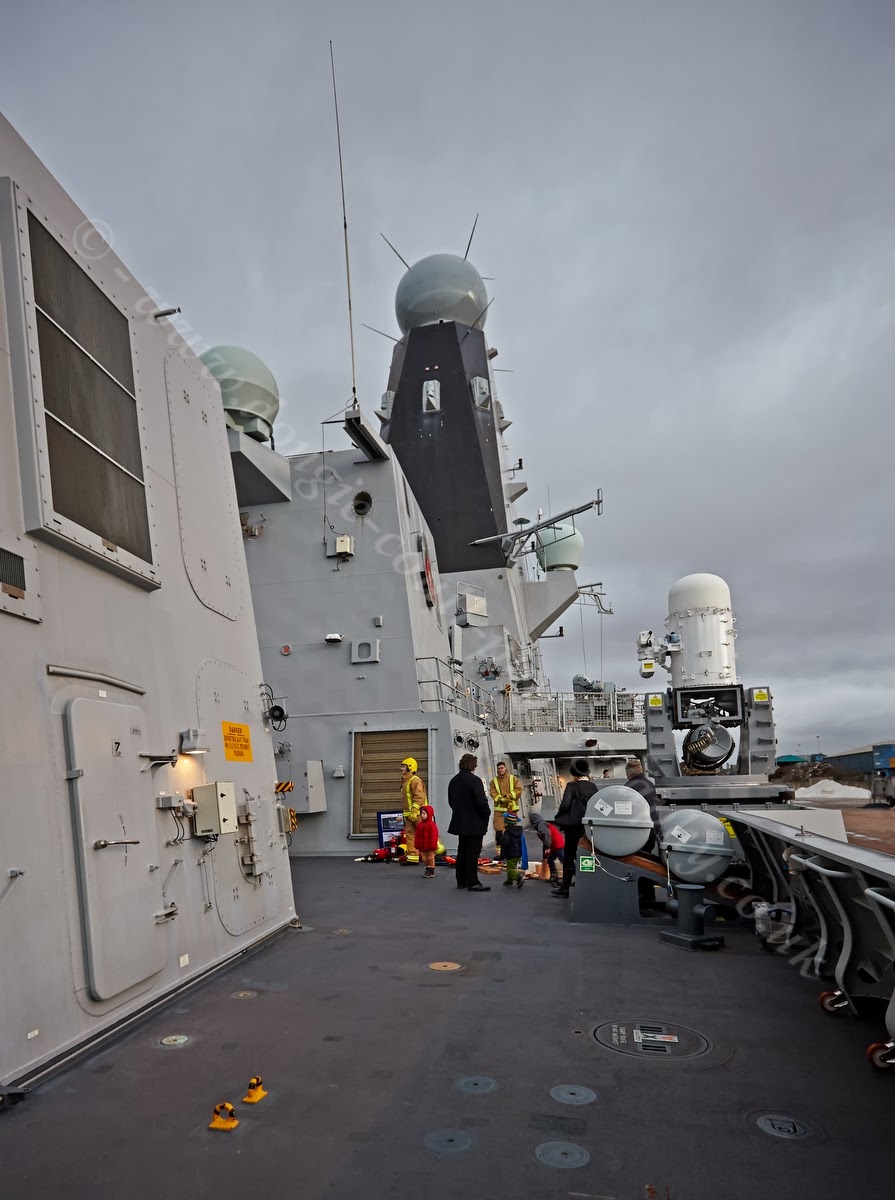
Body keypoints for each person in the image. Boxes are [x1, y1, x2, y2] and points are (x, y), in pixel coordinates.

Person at [551, 759, 597, 898]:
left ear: (574, 773)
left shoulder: (572, 786)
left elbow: (565, 804)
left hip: (573, 827)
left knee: (569, 857)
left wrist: (558, 816)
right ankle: (590, 887)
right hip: (589, 827)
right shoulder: (593, 787)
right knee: (588, 855)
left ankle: (565, 888)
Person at [447, 753, 492, 892]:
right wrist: (486, 813)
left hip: (460, 822)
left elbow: (451, 802)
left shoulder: (453, 781)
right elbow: (481, 802)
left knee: (462, 851)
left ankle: (461, 880)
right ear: (472, 765)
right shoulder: (475, 781)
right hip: (474, 823)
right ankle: (473, 882)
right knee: (473, 853)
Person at [623, 758, 661, 852]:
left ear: (629, 774)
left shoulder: (628, 787)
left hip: (639, 830)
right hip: (653, 827)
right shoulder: (650, 784)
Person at [489, 761, 522, 858]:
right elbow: (493, 793)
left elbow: (519, 790)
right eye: (499, 768)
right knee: (499, 832)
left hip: (511, 810)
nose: (500, 770)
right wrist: (500, 798)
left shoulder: (513, 779)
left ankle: (514, 852)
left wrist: (508, 796)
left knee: (512, 832)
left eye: (502, 768)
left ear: (505, 768)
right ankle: (500, 854)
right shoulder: (493, 781)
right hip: (499, 811)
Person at [400, 757, 427, 864]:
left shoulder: (415, 780)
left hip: (419, 813)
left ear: (410, 768)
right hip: (410, 814)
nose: (401, 768)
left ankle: (438, 852)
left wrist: (415, 810)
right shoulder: (406, 781)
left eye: (403, 766)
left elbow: (419, 796)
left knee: (425, 833)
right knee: (411, 835)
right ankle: (412, 857)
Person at [529, 810, 564, 883]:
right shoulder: (542, 825)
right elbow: (545, 840)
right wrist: (544, 856)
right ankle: (554, 876)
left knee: (564, 861)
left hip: (557, 845)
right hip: (554, 845)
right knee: (550, 860)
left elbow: (546, 837)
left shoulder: (541, 825)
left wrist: (547, 847)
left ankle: (575, 877)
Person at [499, 811, 525, 888]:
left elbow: (505, 842)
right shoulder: (518, 831)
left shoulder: (507, 832)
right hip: (517, 853)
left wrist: (501, 838)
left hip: (511, 853)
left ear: (506, 823)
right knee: (511, 867)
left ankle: (518, 878)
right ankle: (509, 881)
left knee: (510, 869)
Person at [414, 805, 439, 879]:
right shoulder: (420, 825)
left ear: (429, 814)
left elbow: (434, 836)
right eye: (421, 813)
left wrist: (433, 845)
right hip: (422, 847)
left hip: (430, 847)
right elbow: (417, 836)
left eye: (424, 813)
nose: (422, 815)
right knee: (424, 859)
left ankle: (431, 870)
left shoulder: (432, 825)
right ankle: (427, 869)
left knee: (430, 858)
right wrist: (417, 844)